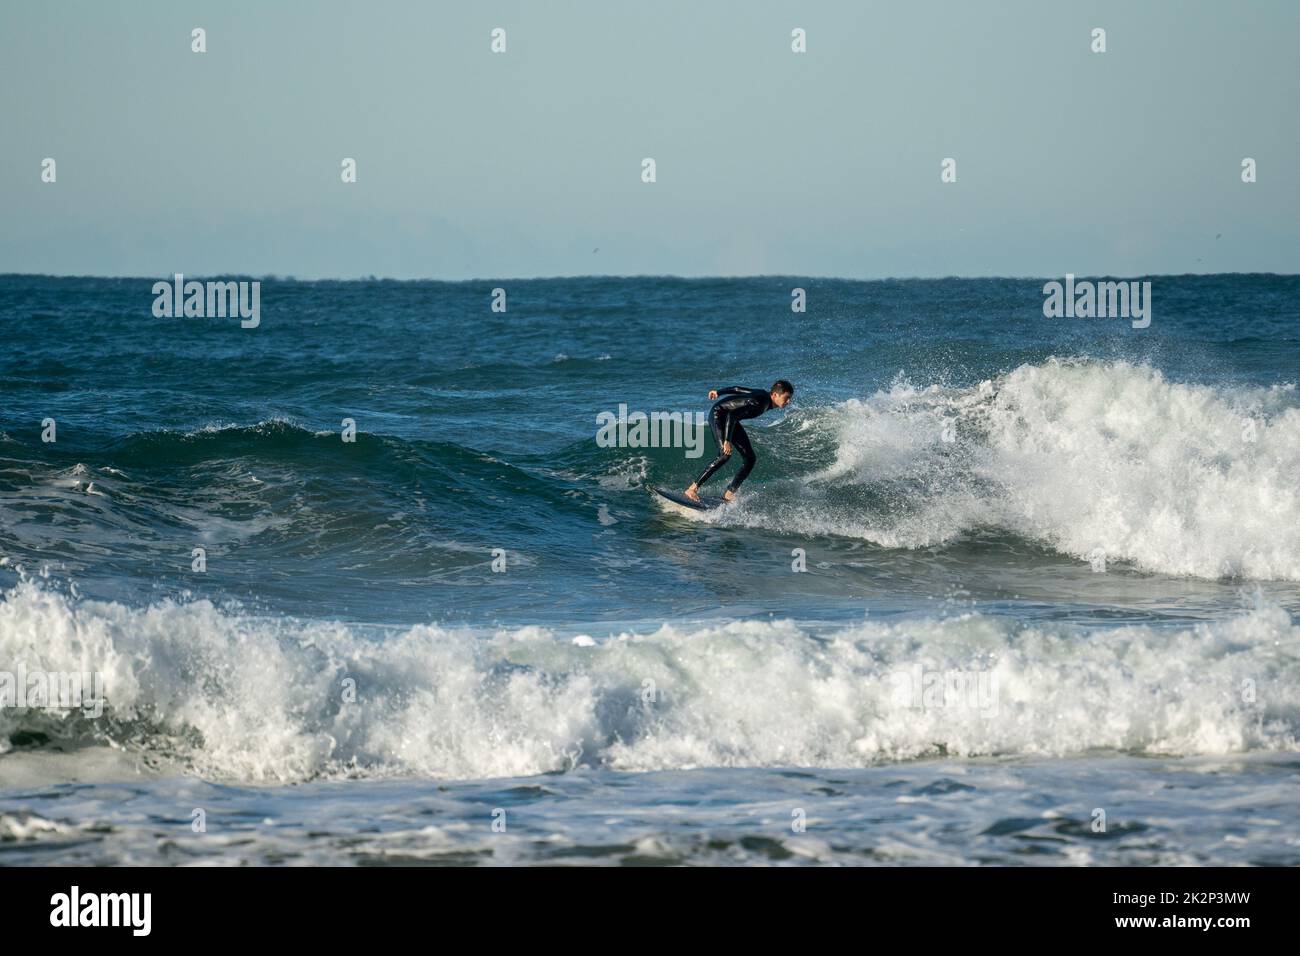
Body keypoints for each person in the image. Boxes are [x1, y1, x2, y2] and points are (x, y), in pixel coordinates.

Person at [684, 380, 793, 502]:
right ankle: (692, 489)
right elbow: (732, 415)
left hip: (730, 420)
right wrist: (727, 440)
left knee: (750, 458)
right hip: (719, 415)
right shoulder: (760, 403)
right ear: (775, 395)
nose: (789, 401)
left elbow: (737, 389)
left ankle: (729, 493)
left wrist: (719, 392)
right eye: (787, 398)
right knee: (724, 455)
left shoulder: (763, 394)